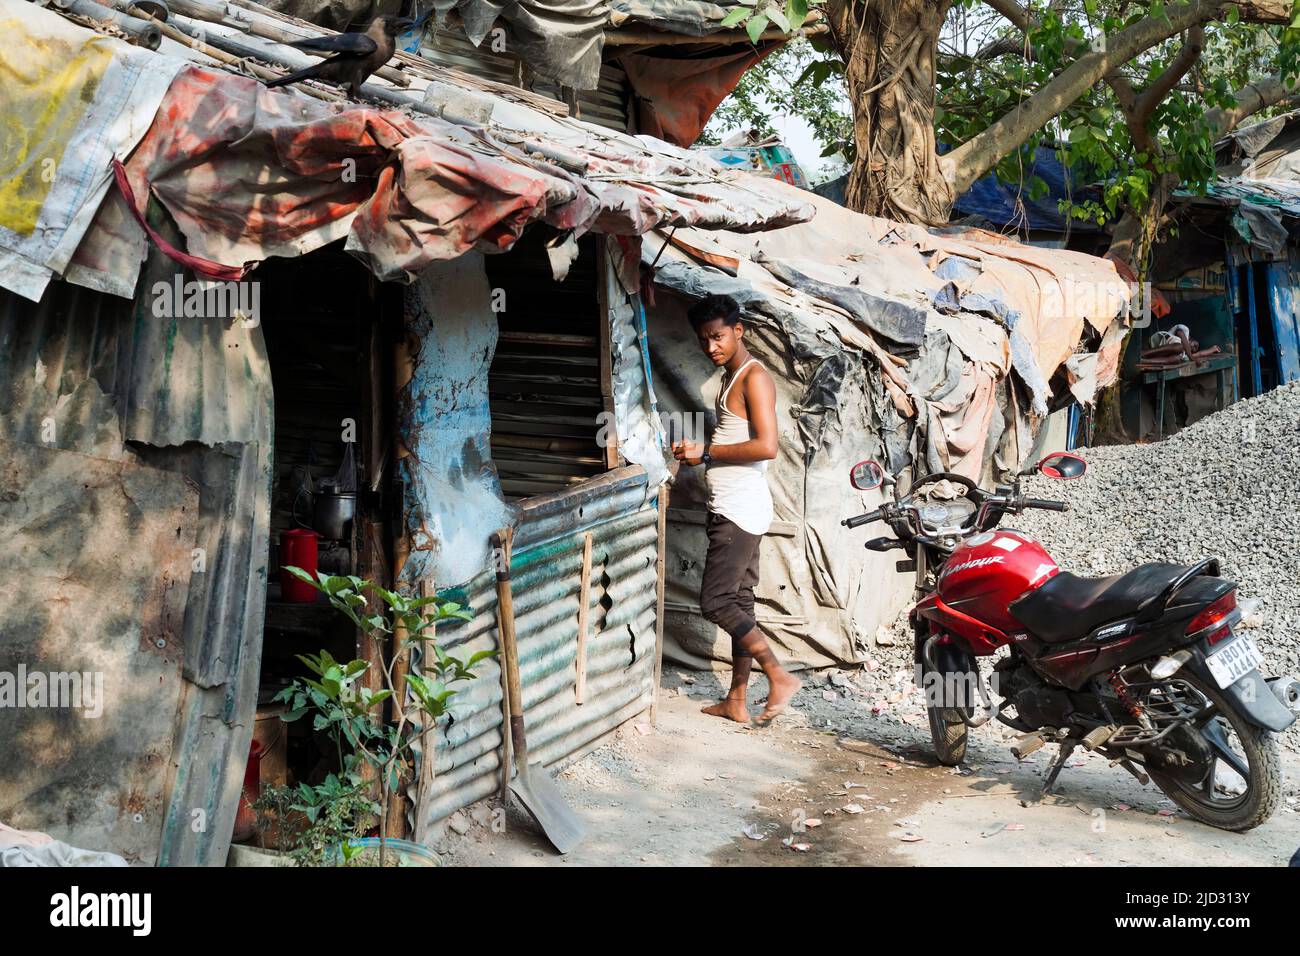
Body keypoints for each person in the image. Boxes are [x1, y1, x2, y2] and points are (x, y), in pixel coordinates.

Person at [672, 294, 800, 726]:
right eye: (704, 340)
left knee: (716, 602)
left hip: (739, 509)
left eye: (719, 337)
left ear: (738, 331)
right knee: (740, 601)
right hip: (736, 505)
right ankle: (737, 700)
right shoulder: (730, 377)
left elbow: (767, 447)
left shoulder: (753, 377)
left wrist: (705, 453)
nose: (711, 347)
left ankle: (779, 675)